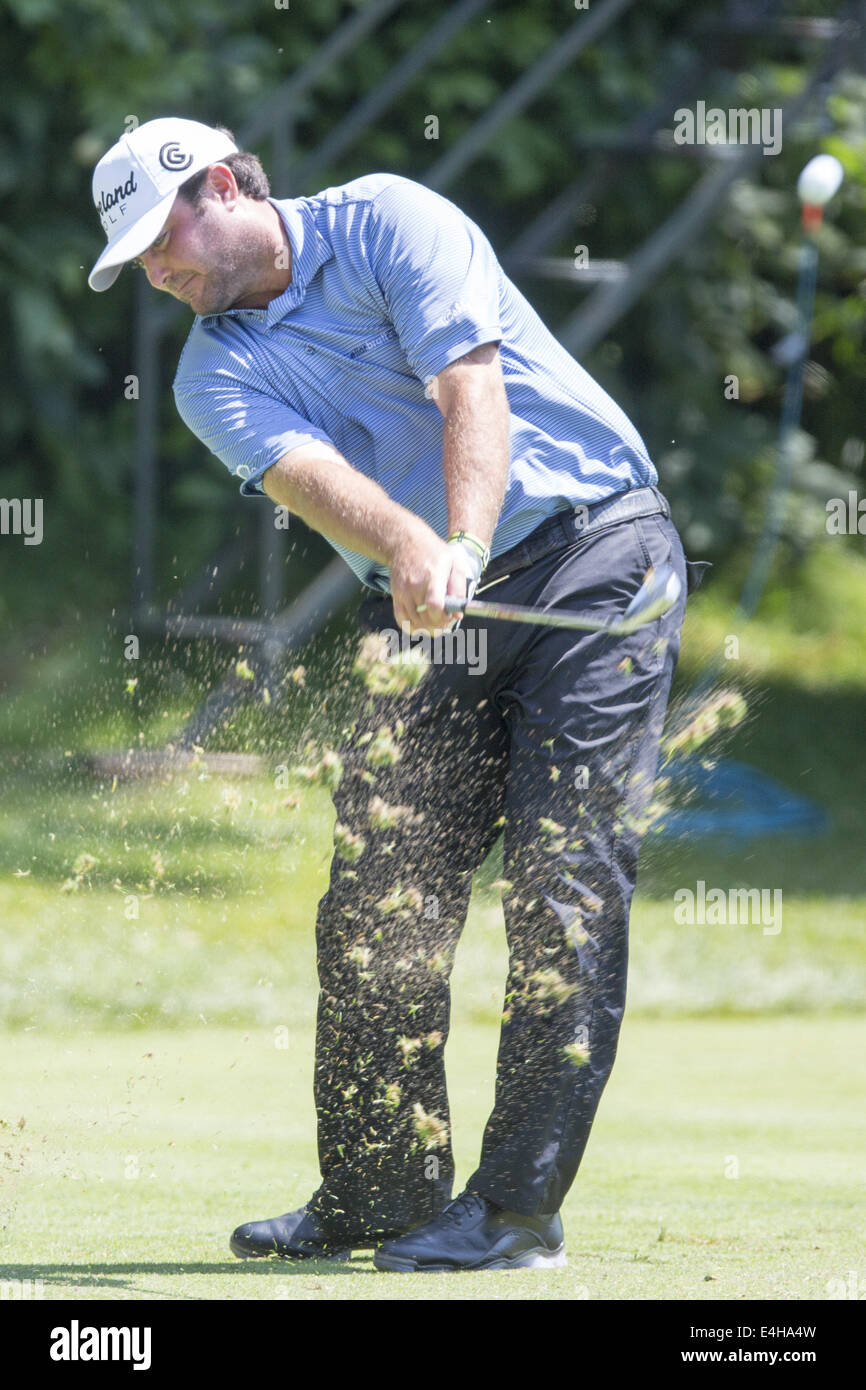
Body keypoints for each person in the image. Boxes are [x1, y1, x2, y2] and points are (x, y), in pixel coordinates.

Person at [89, 116, 693, 1273]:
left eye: (159, 238)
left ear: (221, 185)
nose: (154, 272)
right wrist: (423, 551)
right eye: (135, 262)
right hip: (427, 603)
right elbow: (319, 482)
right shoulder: (209, 371)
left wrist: (457, 540)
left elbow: (470, 390)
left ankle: (515, 1213)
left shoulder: (389, 220)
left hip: (593, 557)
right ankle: (375, 1194)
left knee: (561, 887)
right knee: (378, 900)